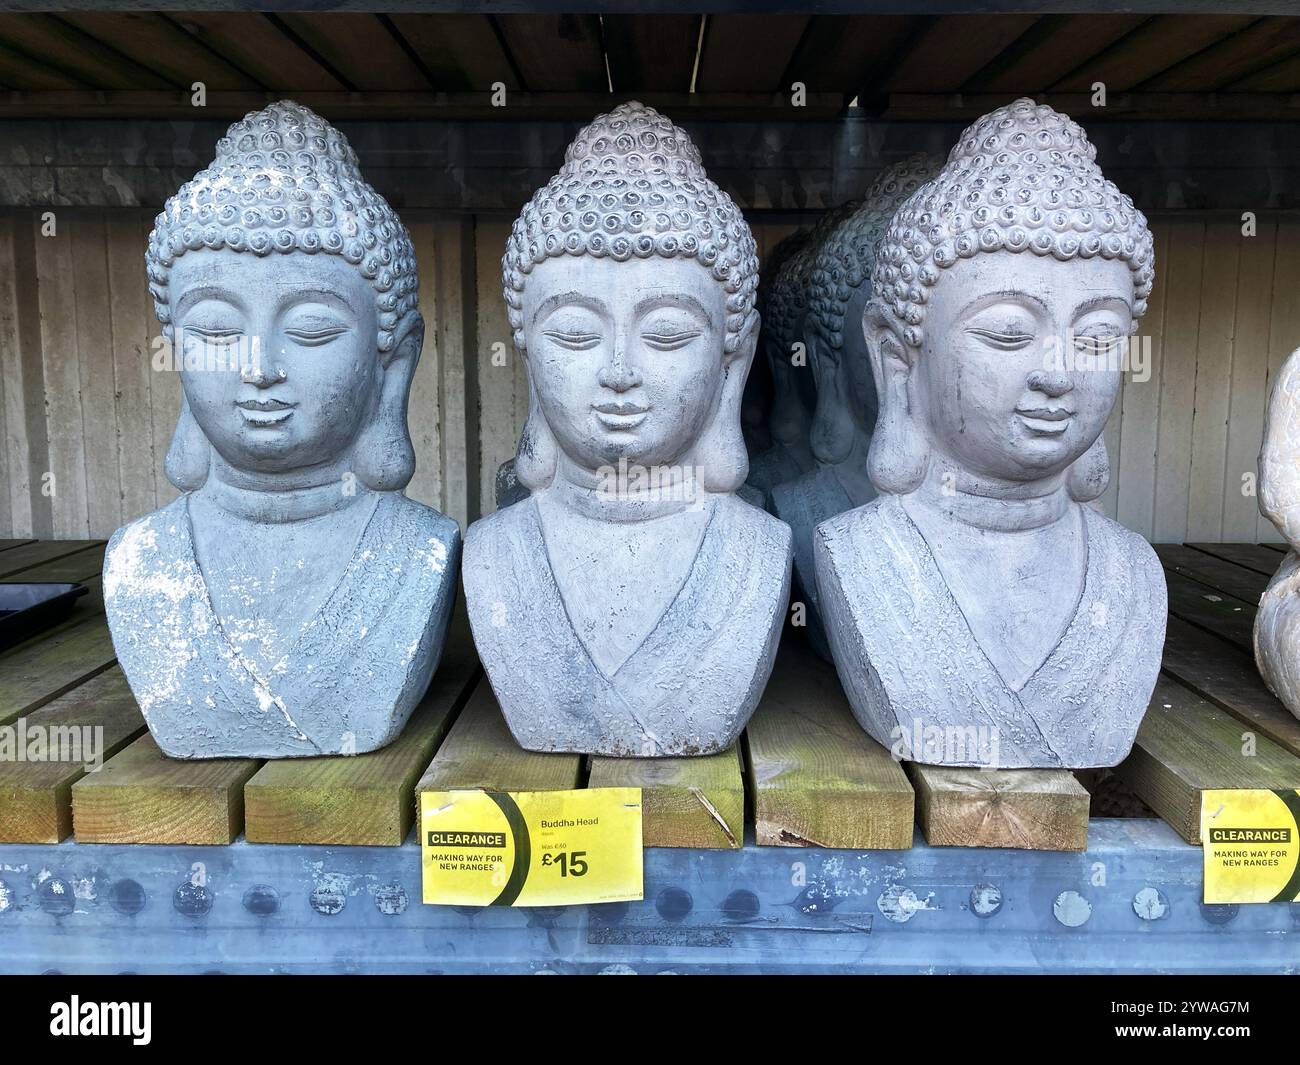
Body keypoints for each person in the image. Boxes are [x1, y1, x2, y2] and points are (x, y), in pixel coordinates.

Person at [104, 102, 460, 759]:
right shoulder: (139, 560)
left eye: (311, 329)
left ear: (394, 361)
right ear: (175, 350)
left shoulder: (423, 553)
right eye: (216, 329)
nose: (260, 368)